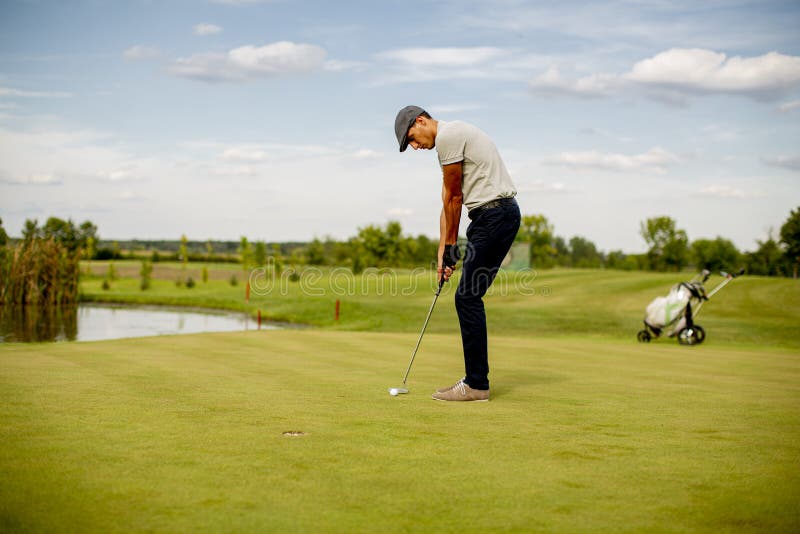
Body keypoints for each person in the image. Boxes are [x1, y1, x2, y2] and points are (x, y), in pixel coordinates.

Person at [394, 105, 520, 402]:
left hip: (495, 215)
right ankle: (476, 381)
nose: (415, 147)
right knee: (468, 296)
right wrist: (443, 252)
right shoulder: (450, 143)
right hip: (488, 218)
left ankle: (476, 384)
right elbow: (446, 202)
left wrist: (452, 246)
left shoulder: (449, 136)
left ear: (421, 121)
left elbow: (455, 198)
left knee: (467, 297)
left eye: (412, 138)